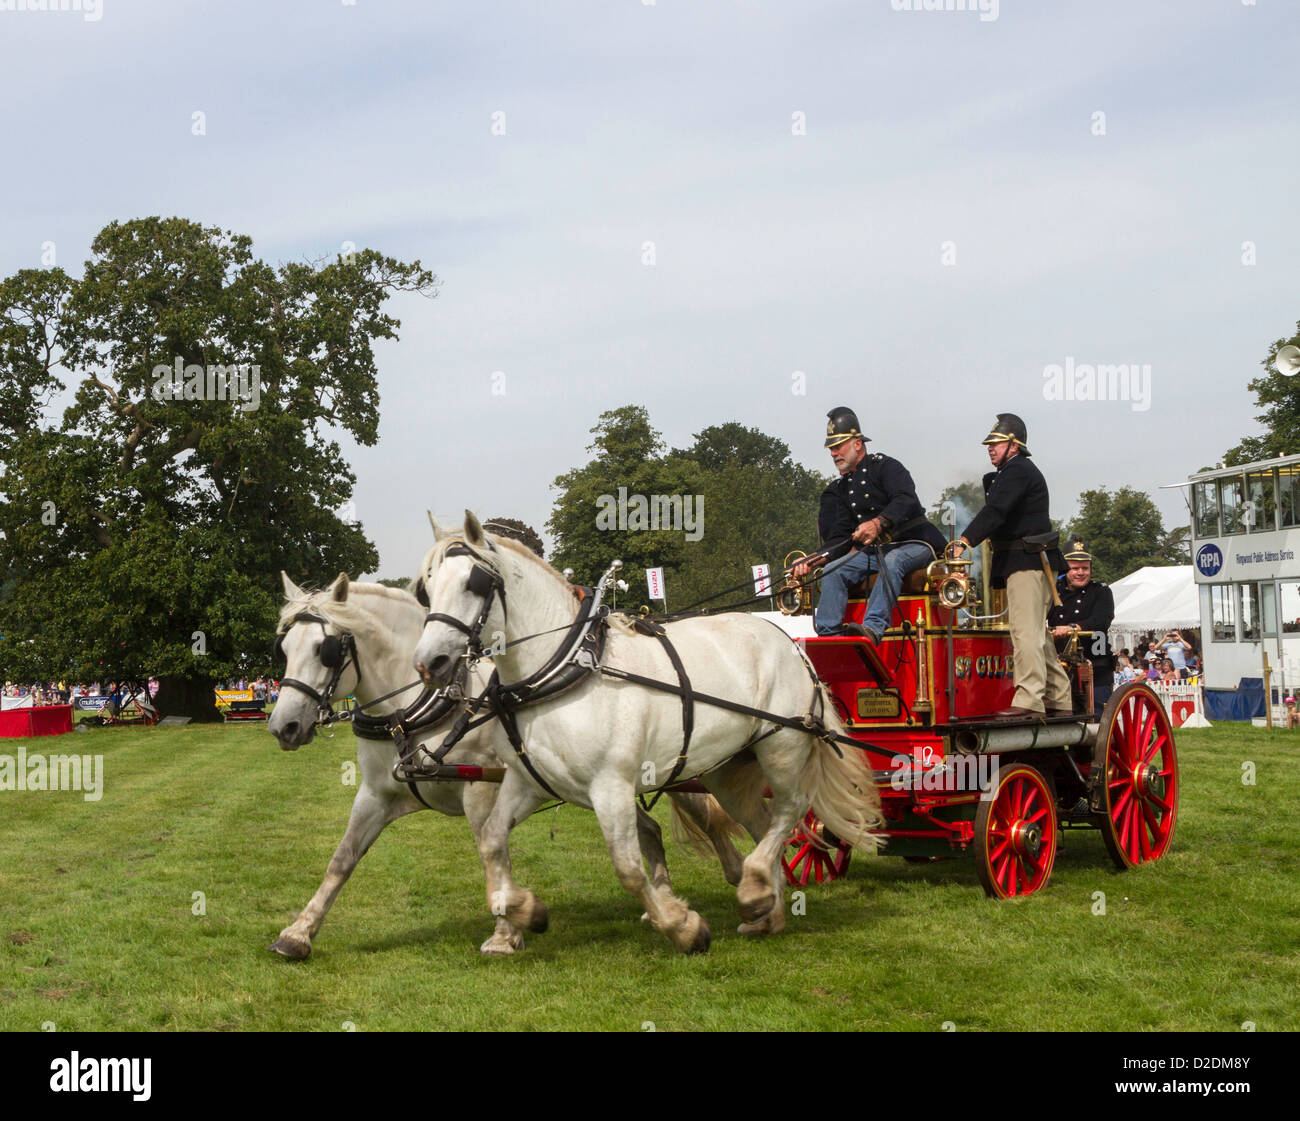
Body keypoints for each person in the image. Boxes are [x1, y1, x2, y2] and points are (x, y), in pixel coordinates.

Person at [951, 413, 1072, 720]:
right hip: (1028, 562)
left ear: (1014, 445)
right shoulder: (1013, 472)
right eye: (989, 444)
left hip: (1027, 563)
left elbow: (996, 511)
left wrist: (965, 540)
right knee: (1038, 635)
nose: (990, 449)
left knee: (1024, 633)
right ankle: (1060, 697)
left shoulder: (1017, 471)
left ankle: (1030, 699)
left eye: (997, 443)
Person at [792, 406, 946, 642]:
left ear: (857, 443)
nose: (834, 453)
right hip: (877, 551)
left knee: (892, 561)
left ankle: (872, 628)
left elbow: (905, 499)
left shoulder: (886, 466)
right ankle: (829, 637)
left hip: (916, 543)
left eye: (838, 446)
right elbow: (841, 538)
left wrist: (878, 523)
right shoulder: (843, 488)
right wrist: (814, 559)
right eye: (831, 448)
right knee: (833, 570)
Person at [1048, 539, 1116, 708]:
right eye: (1075, 568)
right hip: (1059, 668)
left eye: (1085, 568)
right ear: (1065, 569)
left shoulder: (1101, 592)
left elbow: (1101, 620)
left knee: (1099, 716)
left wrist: (1072, 628)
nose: (1081, 572)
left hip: (1096, 668)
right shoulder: (1053, 592)